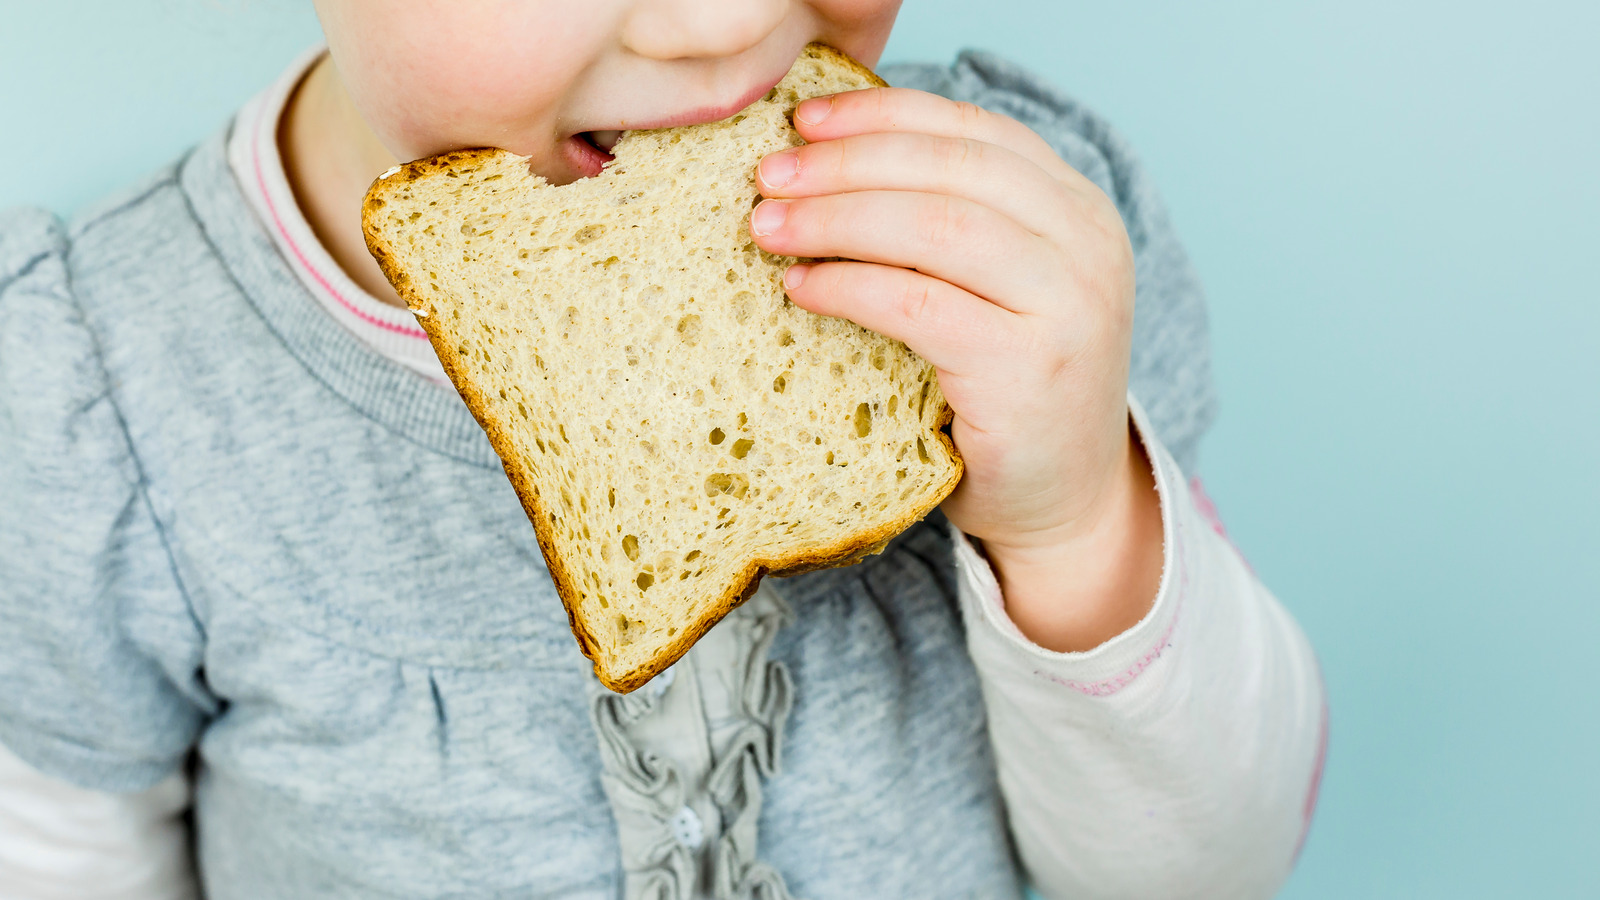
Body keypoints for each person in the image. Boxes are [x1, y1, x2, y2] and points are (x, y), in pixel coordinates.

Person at [0, 1, 1327, 898]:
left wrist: (1077, 521)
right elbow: (62, 856)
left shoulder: (1013, 269)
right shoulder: (105, 382)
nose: (727, 22)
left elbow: (1207, 870)